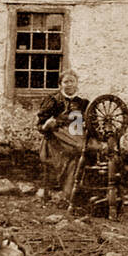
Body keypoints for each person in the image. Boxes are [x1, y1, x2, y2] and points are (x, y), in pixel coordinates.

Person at [37, 69, 89, 199]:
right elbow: (40, 125)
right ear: (60, 84)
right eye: (66, 82)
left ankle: (77, 190)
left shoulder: (82, 103)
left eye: (72, 81)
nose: (69, 84)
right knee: (79, 150)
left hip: (76, 136)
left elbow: (88, 123)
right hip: (56, 139)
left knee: (89, 149)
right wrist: (46, 125)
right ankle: (68, 192)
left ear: (77, 83)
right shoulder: (53, 100)